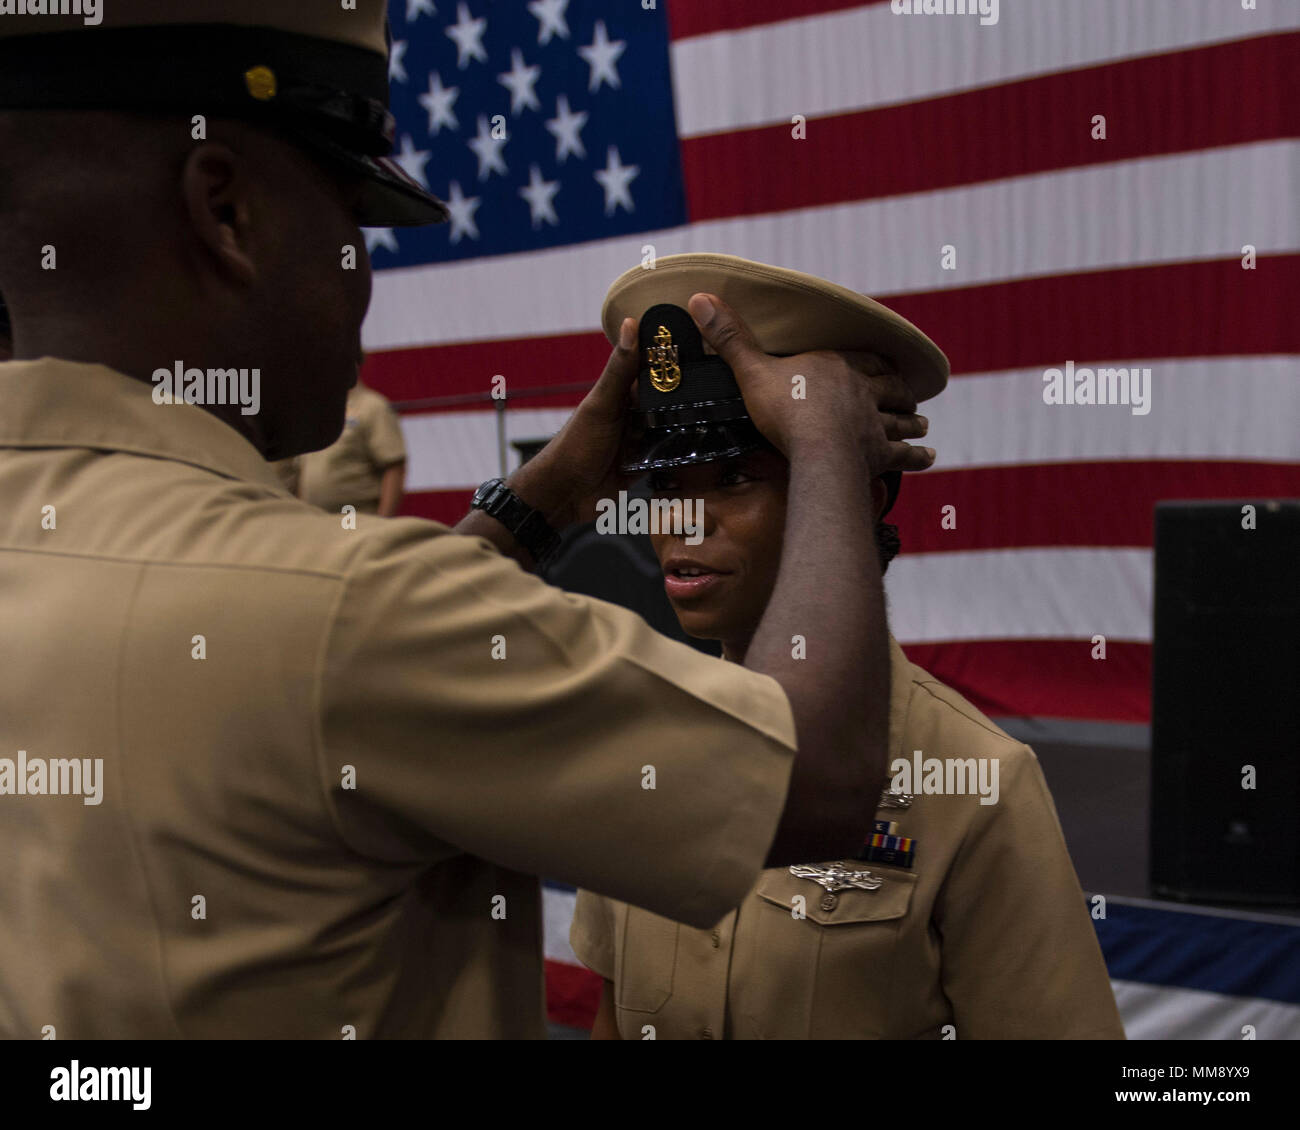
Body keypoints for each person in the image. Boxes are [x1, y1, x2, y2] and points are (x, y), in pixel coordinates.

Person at [0, 5, 935, 1037]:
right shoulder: (353, 614)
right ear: (226, 211)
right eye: (352, 218)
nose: (360, 279)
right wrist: (829, 450)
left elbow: (318, 664)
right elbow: (819, 779)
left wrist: (545, 497)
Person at [571, 254, 1125, 1040]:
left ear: (850, 494)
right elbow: (613, 1018)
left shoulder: (977, 781)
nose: (684, 526)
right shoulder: (639, 742)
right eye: (667, 487)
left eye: (733, 478)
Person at [297, 379, 407, 517]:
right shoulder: (313, 409)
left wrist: (383, 520)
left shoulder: (372, 406)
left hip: (358, 518)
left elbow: (394, 466)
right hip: (319, 521)